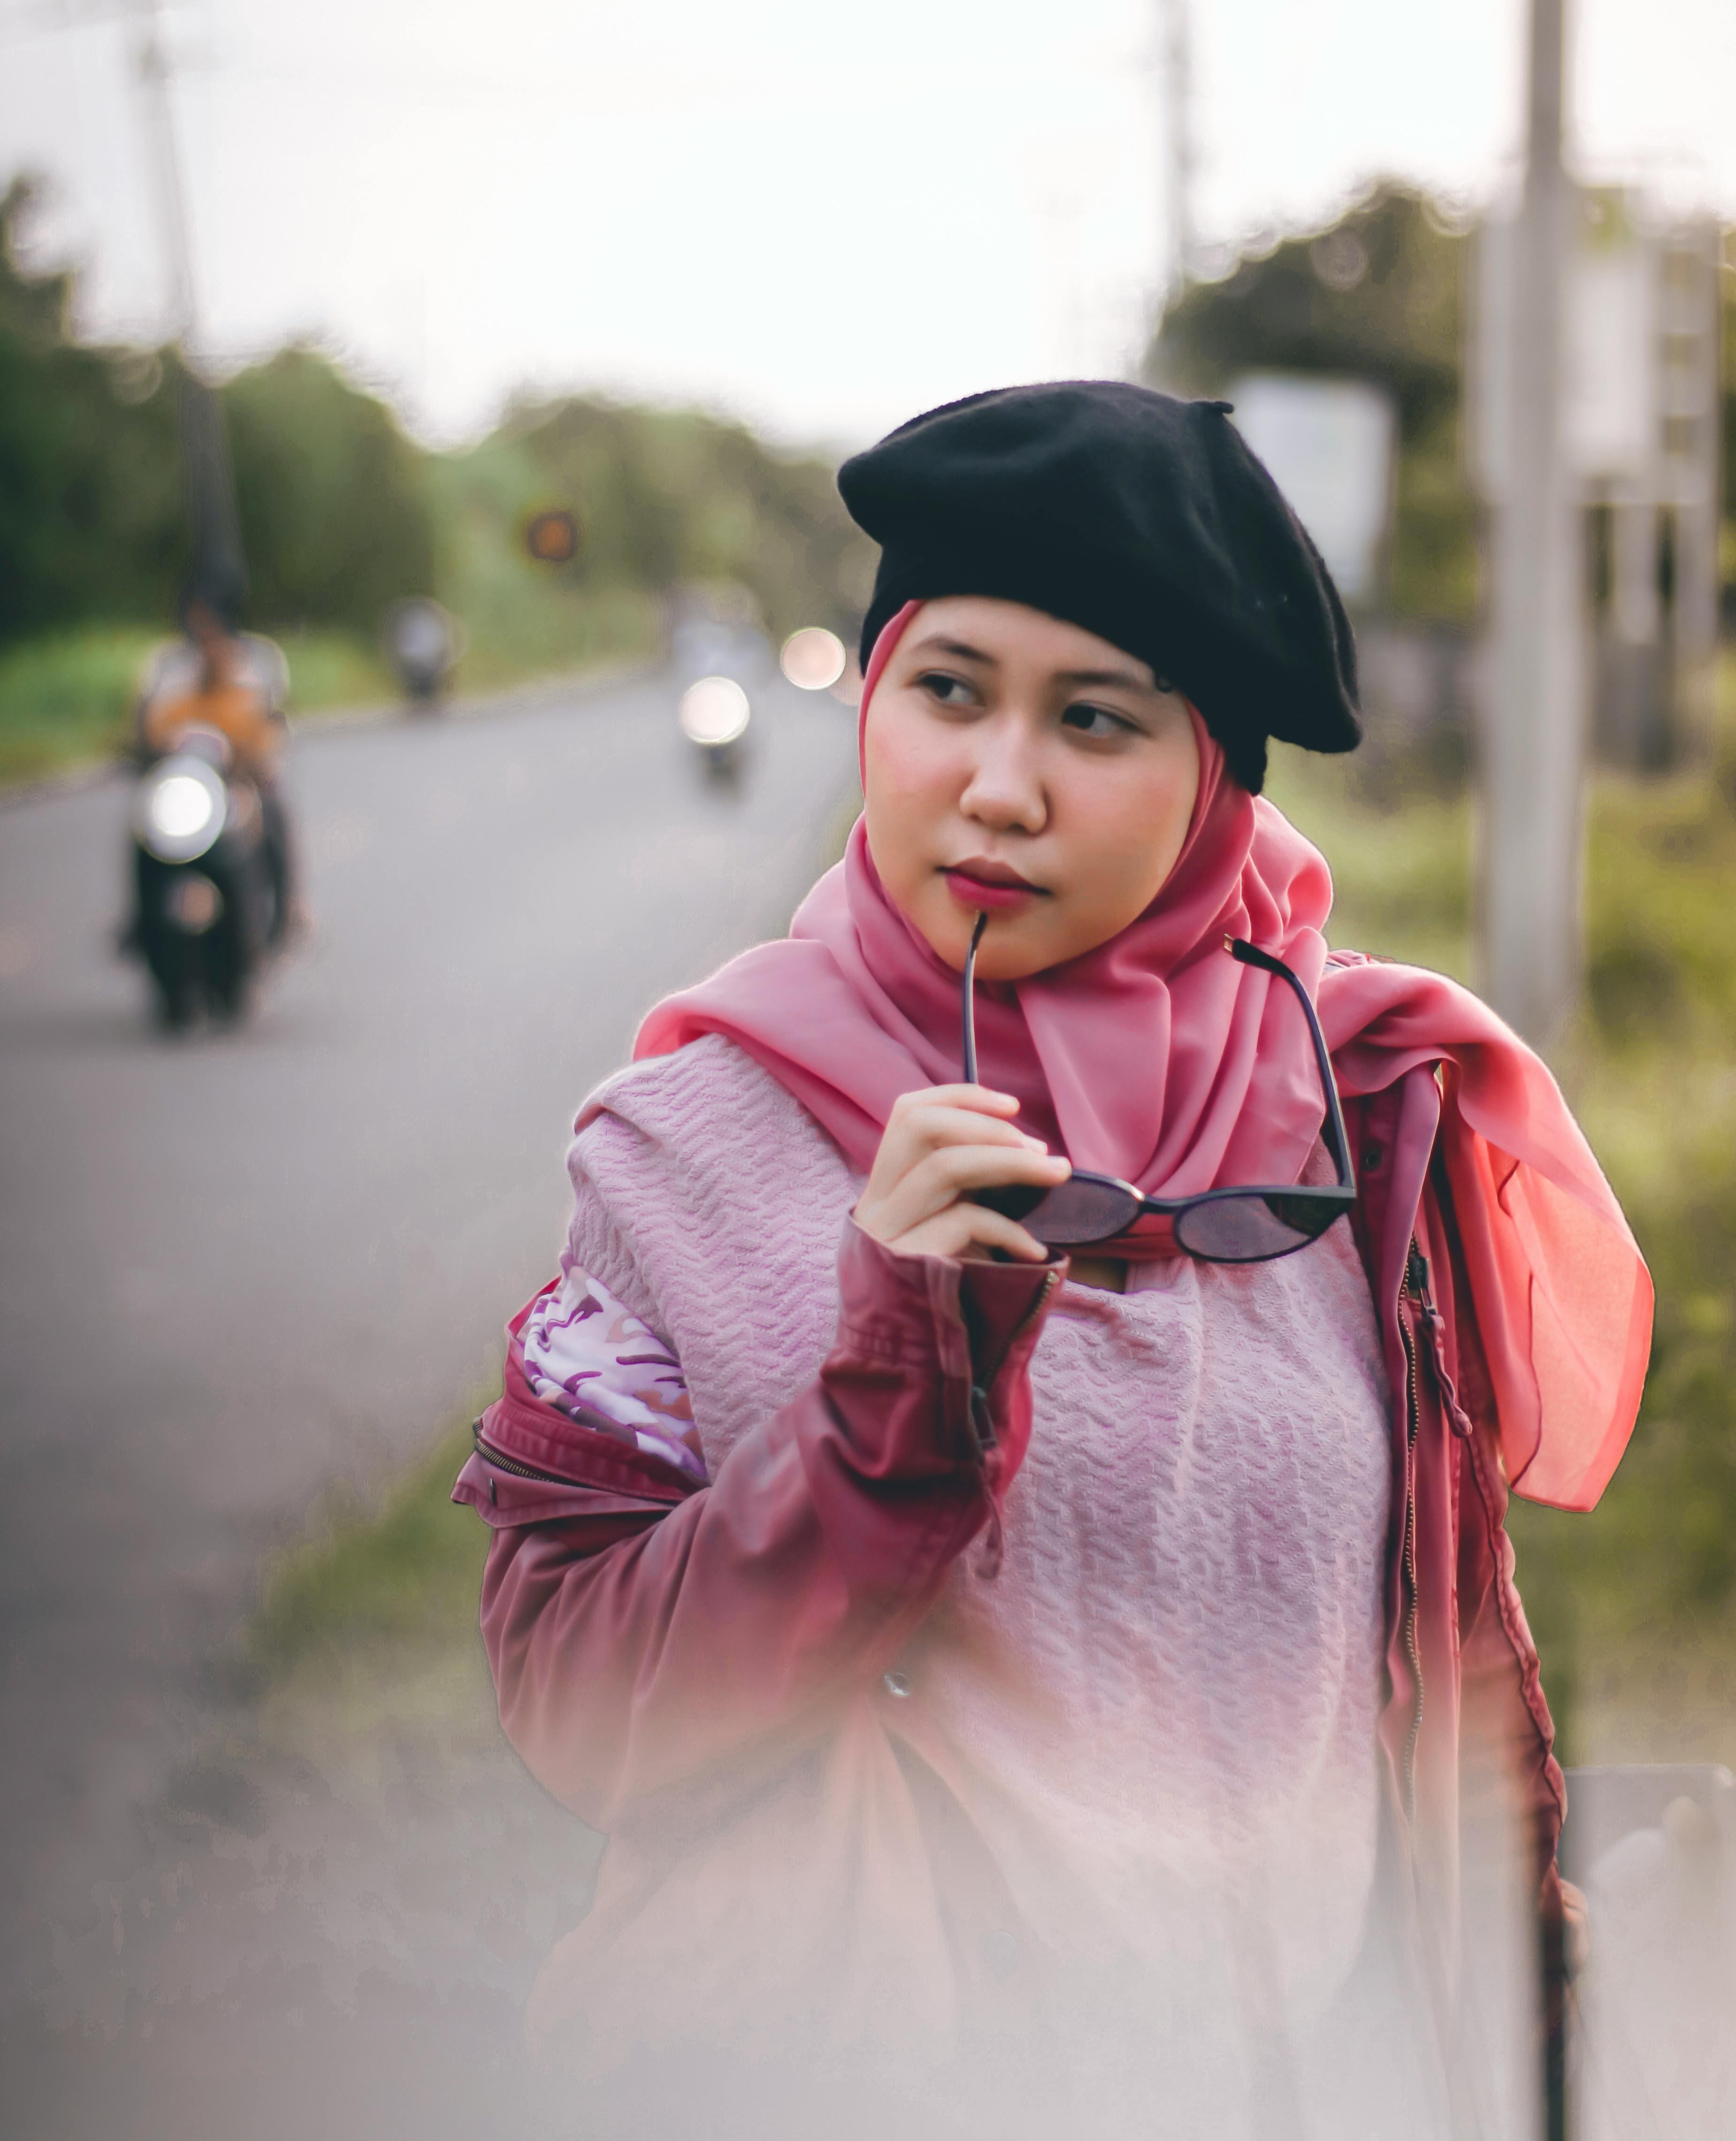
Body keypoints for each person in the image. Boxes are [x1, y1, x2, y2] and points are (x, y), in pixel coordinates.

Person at [456, 383, 1650, 2139]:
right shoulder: (682, 1153)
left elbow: (1445, 1640)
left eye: (1093, 720)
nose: (993, 785)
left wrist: (1528, 1998)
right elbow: (577, 1697)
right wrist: (884, 1392)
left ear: (1213, 787)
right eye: (947, 689)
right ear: (874, 700)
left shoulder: (1353, 1124)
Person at [136, 567, 300, 943]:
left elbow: (272, 727)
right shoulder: (169, 667)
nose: (202, 628)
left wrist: (255, 759)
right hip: (184, 785)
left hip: (238, 783)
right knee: (141, 833)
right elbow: (148, 727)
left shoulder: (258, 662)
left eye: (208, 617)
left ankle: (287, 907)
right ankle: (141, 922)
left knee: (272, 813)